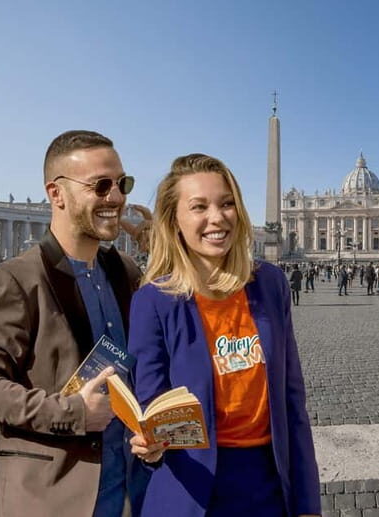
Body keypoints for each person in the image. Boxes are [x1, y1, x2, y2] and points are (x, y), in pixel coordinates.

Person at [0, 130, 144, 516]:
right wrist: (73, 411)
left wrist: (157, 241)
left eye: (122, 184)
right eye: (101, 185)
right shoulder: (16, 279)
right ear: (56, 193)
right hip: (57, 498)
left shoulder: (122, 270)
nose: (116, 197)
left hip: (131, 490)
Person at [126, 154, 320, 517]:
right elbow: (150, 405)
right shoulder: (153, 301)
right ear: (174, 220)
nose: (217, 217)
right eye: (199, 207)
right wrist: (148, 443)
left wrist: (308, 502)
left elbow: (293, 402)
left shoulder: (271, 284)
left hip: (267, 485)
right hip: (190, 486)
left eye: (227, 203)